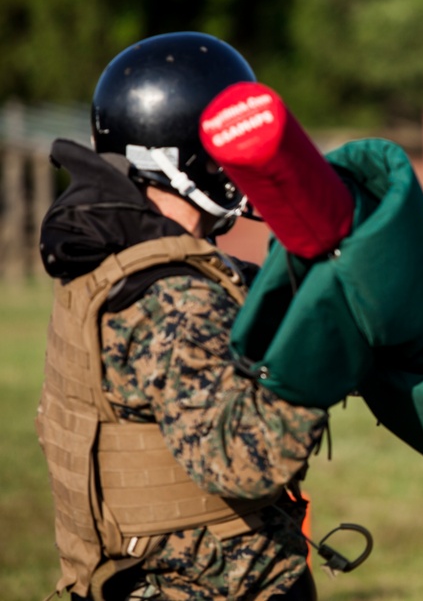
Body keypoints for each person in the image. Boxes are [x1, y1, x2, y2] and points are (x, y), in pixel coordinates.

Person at [36, 33, 328, 600]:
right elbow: (246, 463)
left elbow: (228, 295)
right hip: (207, 587)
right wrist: (323, 353)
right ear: (183, 158)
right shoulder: (176, 298)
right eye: (231, 147)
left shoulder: (111, 261)